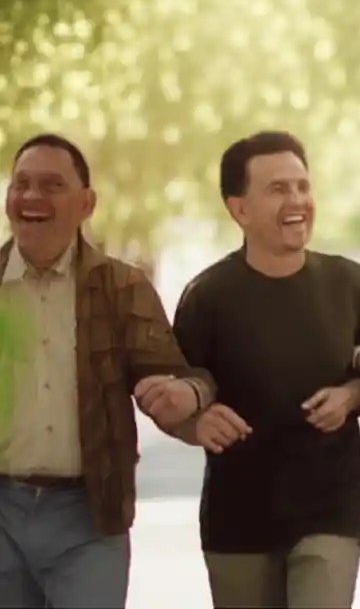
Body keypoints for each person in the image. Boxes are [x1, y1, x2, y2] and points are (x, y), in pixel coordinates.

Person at [168, 132, 360, 607]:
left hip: (329, 512)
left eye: (302, 186)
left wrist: (352, 394)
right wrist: (196, 423)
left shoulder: (347, 281)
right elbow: (175, 398)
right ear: (239, 209)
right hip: (236, 519)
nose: (297, 200)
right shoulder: (207, 296)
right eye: (278, 189)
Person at [0, 133, 215, 607]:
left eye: (52, 185)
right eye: (22, 184)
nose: (32, 197)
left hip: (89, 514)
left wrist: (192, 403)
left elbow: (172, 377)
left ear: (86, 203)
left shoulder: (122, 287)